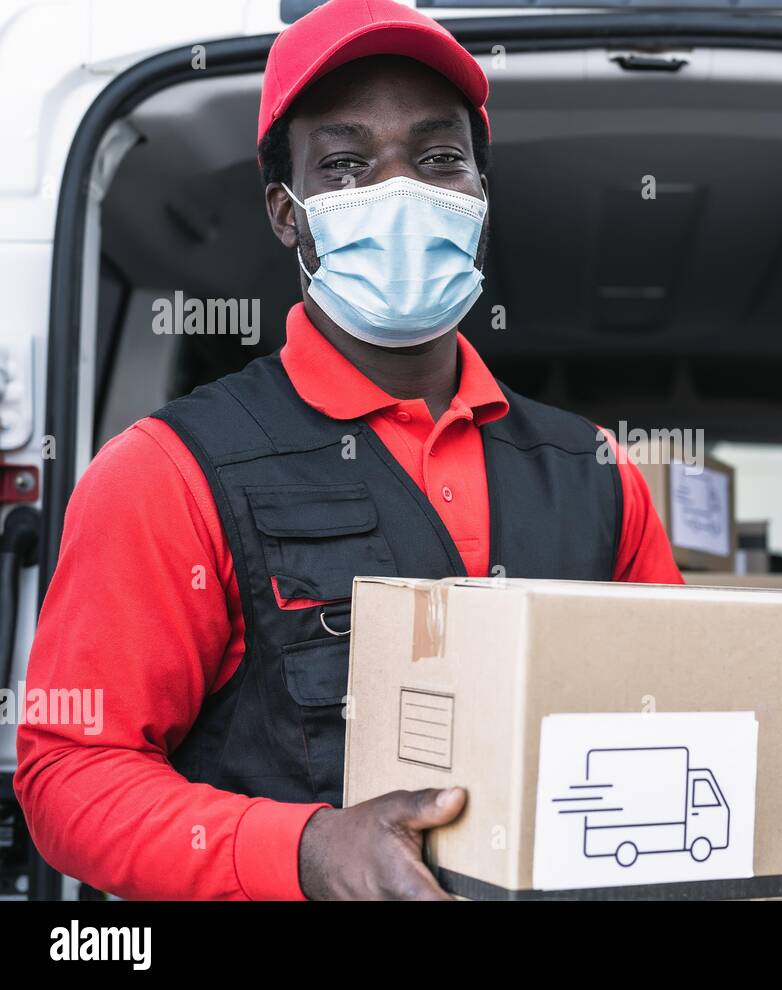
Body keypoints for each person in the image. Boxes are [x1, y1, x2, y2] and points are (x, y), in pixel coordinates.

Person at [15, 0, 682, 901]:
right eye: (345, 163)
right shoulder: (167, 471)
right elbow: (71, 777)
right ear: (288, 216)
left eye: (440, 156)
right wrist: (305, 850)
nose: (400, 187)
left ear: (479, 195)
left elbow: (677, 723)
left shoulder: (594, 471)